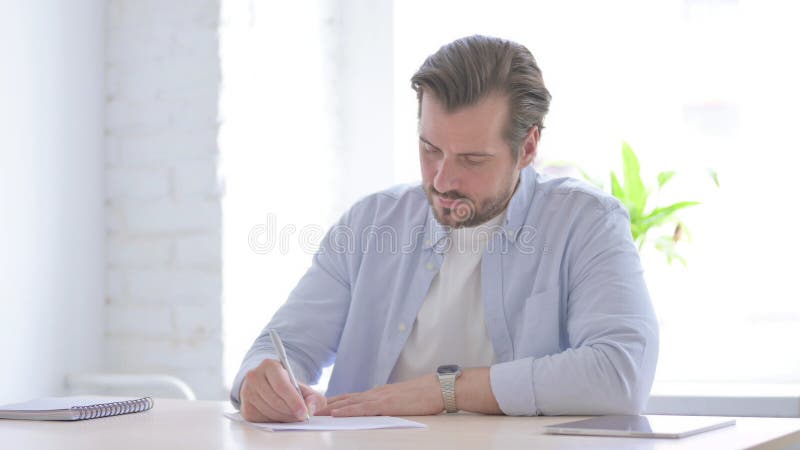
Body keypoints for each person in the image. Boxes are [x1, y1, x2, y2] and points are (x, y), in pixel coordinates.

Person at [231, 34, 659, 422]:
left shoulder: (586, 223)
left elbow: (621, 373)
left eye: (472, 159)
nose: (441, 180)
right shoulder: (370, 223)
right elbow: (281, 347)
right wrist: (264, 382)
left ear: (528, 147)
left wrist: (445, 391)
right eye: (430, 148)